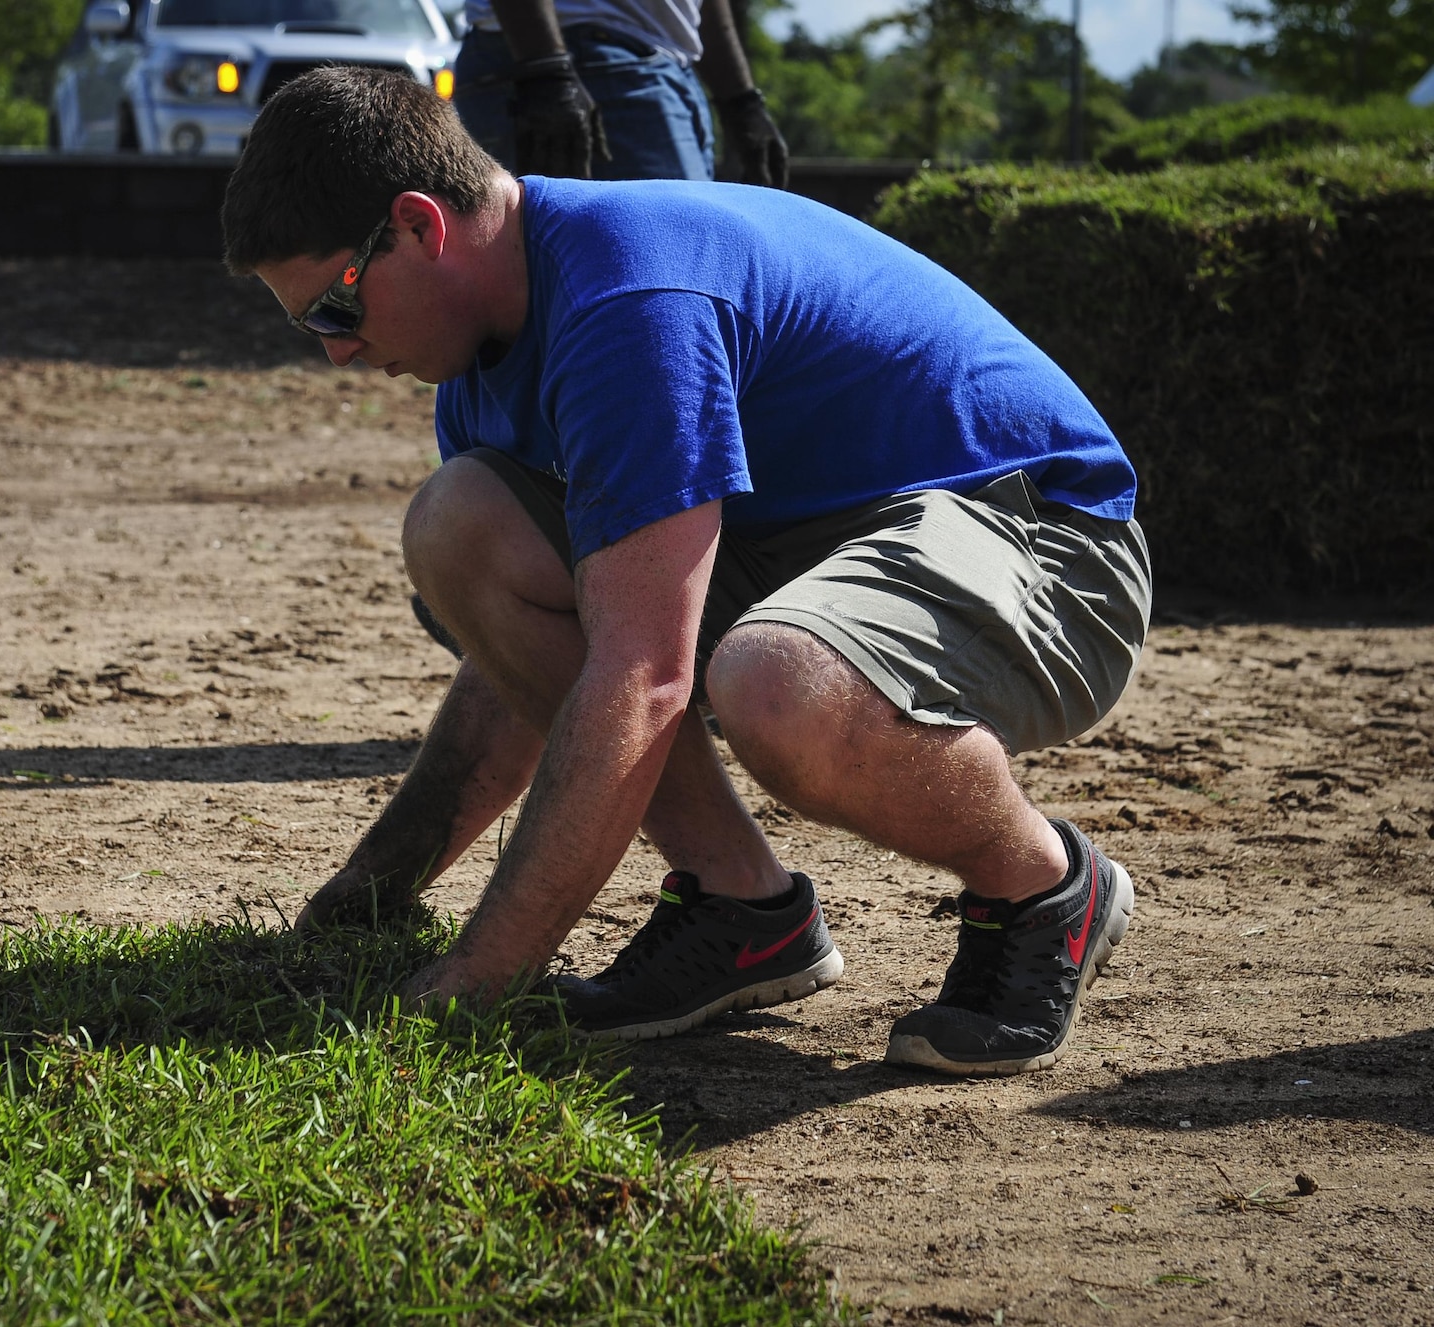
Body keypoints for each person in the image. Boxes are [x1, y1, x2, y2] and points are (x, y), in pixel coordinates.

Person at [220, 67, 1152, 1077]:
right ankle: (743, 910)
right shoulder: (482, 358)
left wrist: (477, 983)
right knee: (463, 523)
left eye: (332, 309)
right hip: (823, 544)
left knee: (773, 683)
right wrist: (369, 892)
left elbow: (641, 674)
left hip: (1044, 543)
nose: (338, 351)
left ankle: (1042, 886)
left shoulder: (626, 295)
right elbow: (532, 663)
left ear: (417, 226)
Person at [450, 0, 788, 187]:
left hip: (655, 66)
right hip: (580, 57)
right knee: (671, 269)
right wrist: (546, 69)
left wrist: (742, 101)